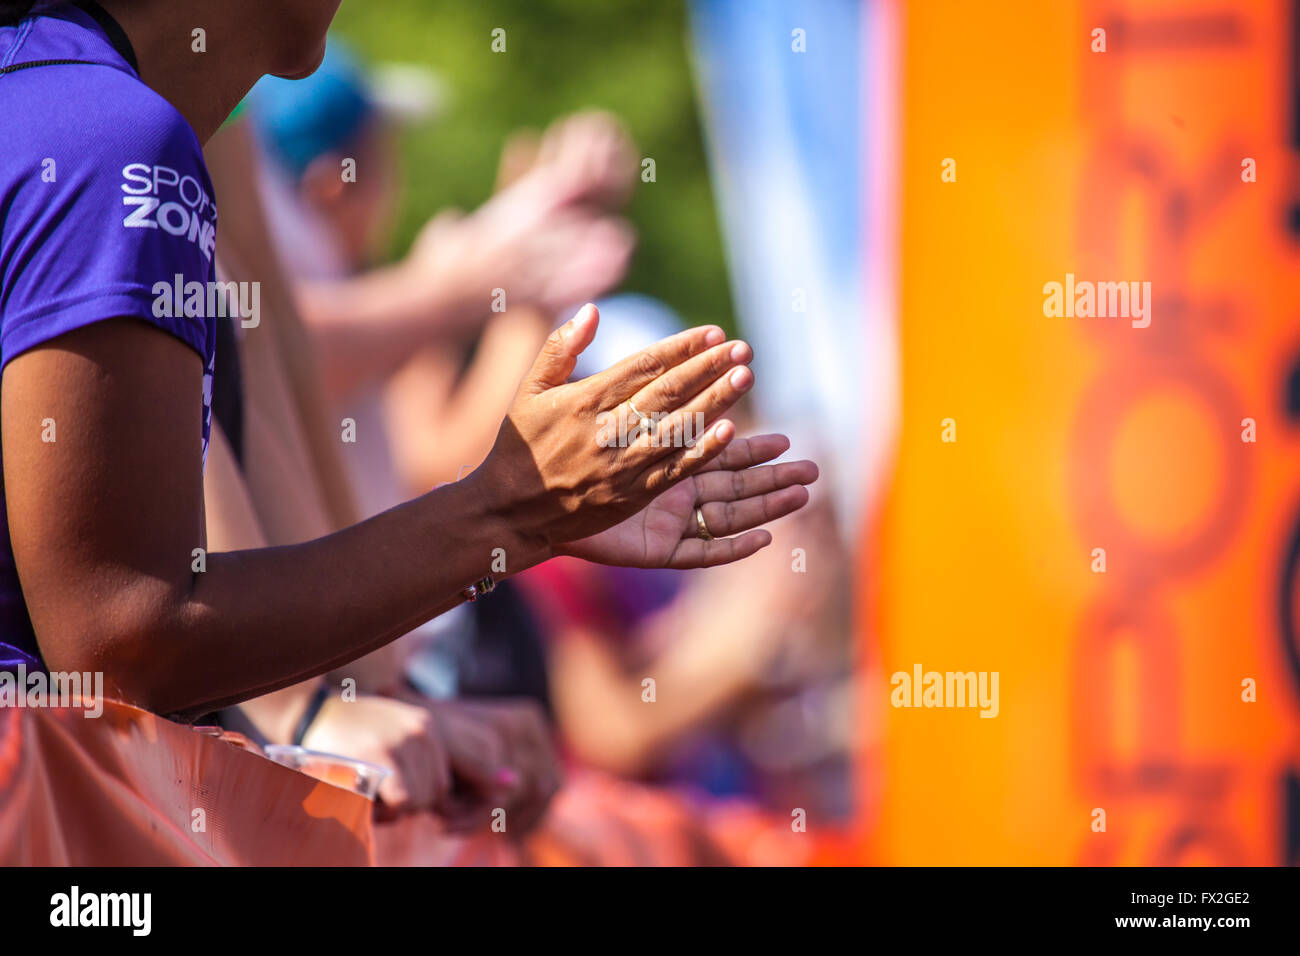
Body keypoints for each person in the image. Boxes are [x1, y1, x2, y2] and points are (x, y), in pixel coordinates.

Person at [0, 0, 818, 722]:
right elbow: (121, 639)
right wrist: (509, 512)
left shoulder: (86, 113)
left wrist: (364, 696)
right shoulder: (110, 137)